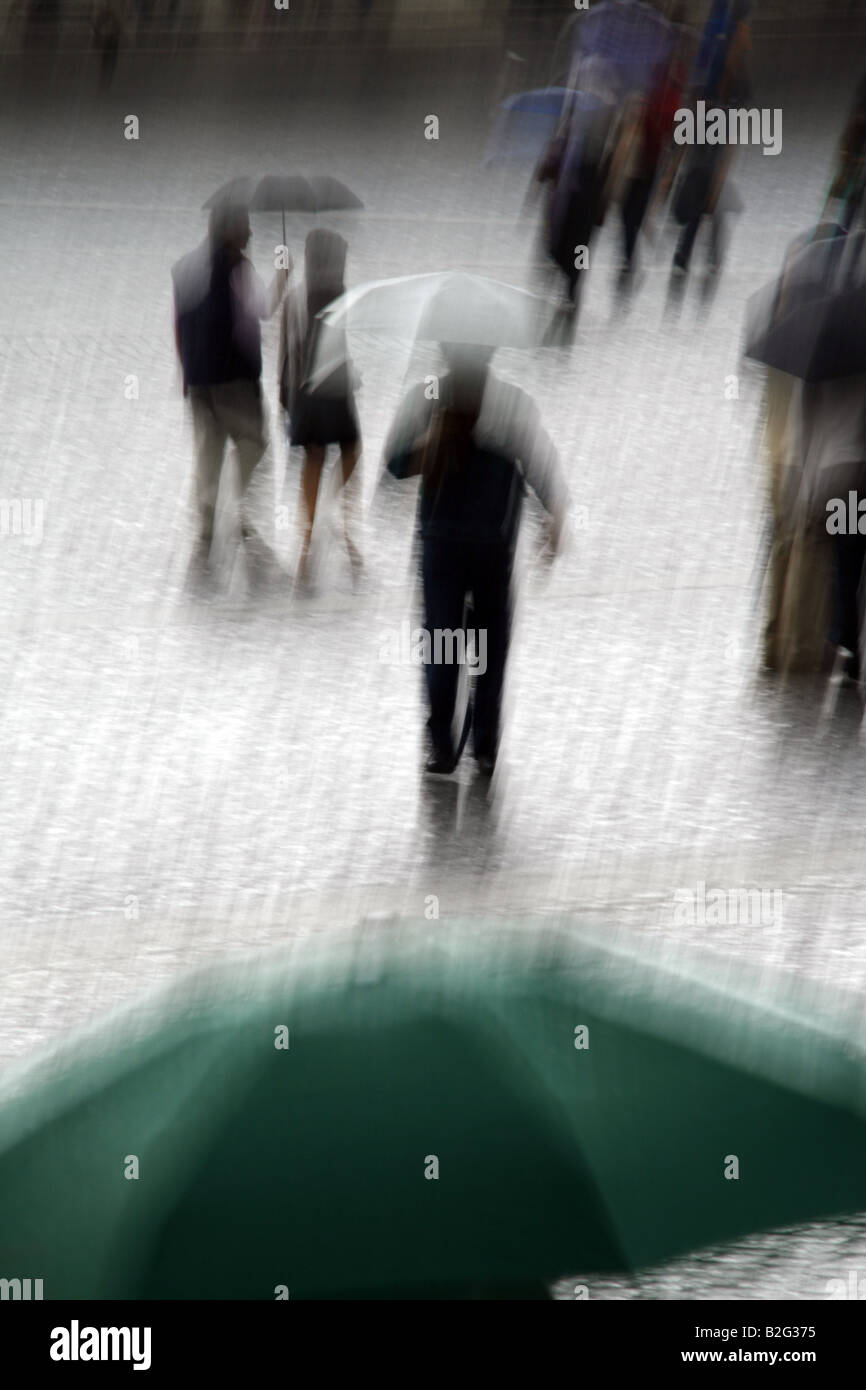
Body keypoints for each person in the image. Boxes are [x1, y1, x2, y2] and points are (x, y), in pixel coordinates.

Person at [383, 346, 569, 777]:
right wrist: (554, 516)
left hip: (443, 543)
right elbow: (541, 465)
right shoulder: (511, 402)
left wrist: (423, 450)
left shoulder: (425, 396)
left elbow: (393, 464)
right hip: (490, 544)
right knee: (489, 644)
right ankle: (483, 745)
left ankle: (441, 745)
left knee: (442, 644)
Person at [172, 199, 289, 577]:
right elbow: (264, 307)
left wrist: (186, 371)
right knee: (253, 444)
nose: (251, 232)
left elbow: (180, 324)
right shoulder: (238, 268)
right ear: (228, 229)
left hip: (199, 380)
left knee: (208, 452)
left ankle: (206, 530)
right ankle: (231, 509)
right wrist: (284, 274)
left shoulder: (186, 267)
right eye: (245, 225)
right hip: (234, 380)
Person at [278, 230, 363, 587]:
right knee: (352, 450)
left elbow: (287, 350)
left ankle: (307, 543)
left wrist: (284, 397)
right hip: (334, 390)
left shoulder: (296, 298)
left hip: (306, 393)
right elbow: (338, 349)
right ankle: (342, 524)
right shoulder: (339, 295)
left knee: (313, 459)